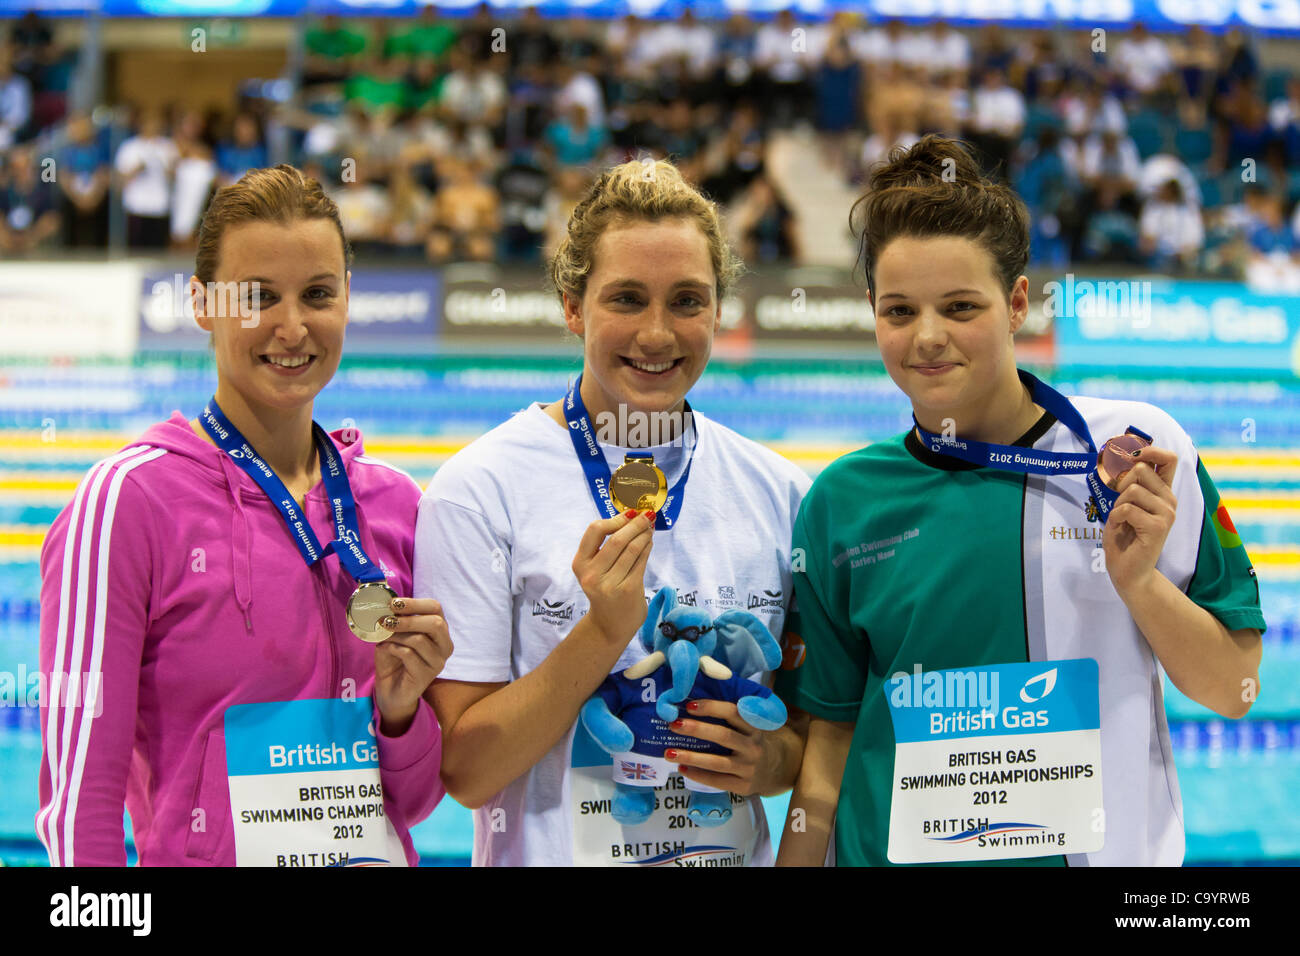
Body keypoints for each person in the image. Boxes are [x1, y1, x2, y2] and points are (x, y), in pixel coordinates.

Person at [776, 136, 1264, 867]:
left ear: (1018, 303)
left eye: (960, 306)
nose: (928, 337)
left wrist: (1140, 585)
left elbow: (1235, 690)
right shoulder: (844, 501)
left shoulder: (1139, 454)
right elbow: (826, 755)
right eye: (900, 310)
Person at [36, 165, 449, 866]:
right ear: (201, 302)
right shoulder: (125, 504)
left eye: (318, 294)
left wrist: (404, 713)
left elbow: (410, 805)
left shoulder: (395, 507)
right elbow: (81, 803)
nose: (292, 328)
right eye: (257, 297)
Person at [416, 158, 810, 866]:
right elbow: (466, 772)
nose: (657, 334)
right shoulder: (479, 491)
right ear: (574, 306)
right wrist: (601, 632)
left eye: (687, 301)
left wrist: (771, 760)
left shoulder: (781, 494)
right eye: (626, 299)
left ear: (719, 308)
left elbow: (808, 743)